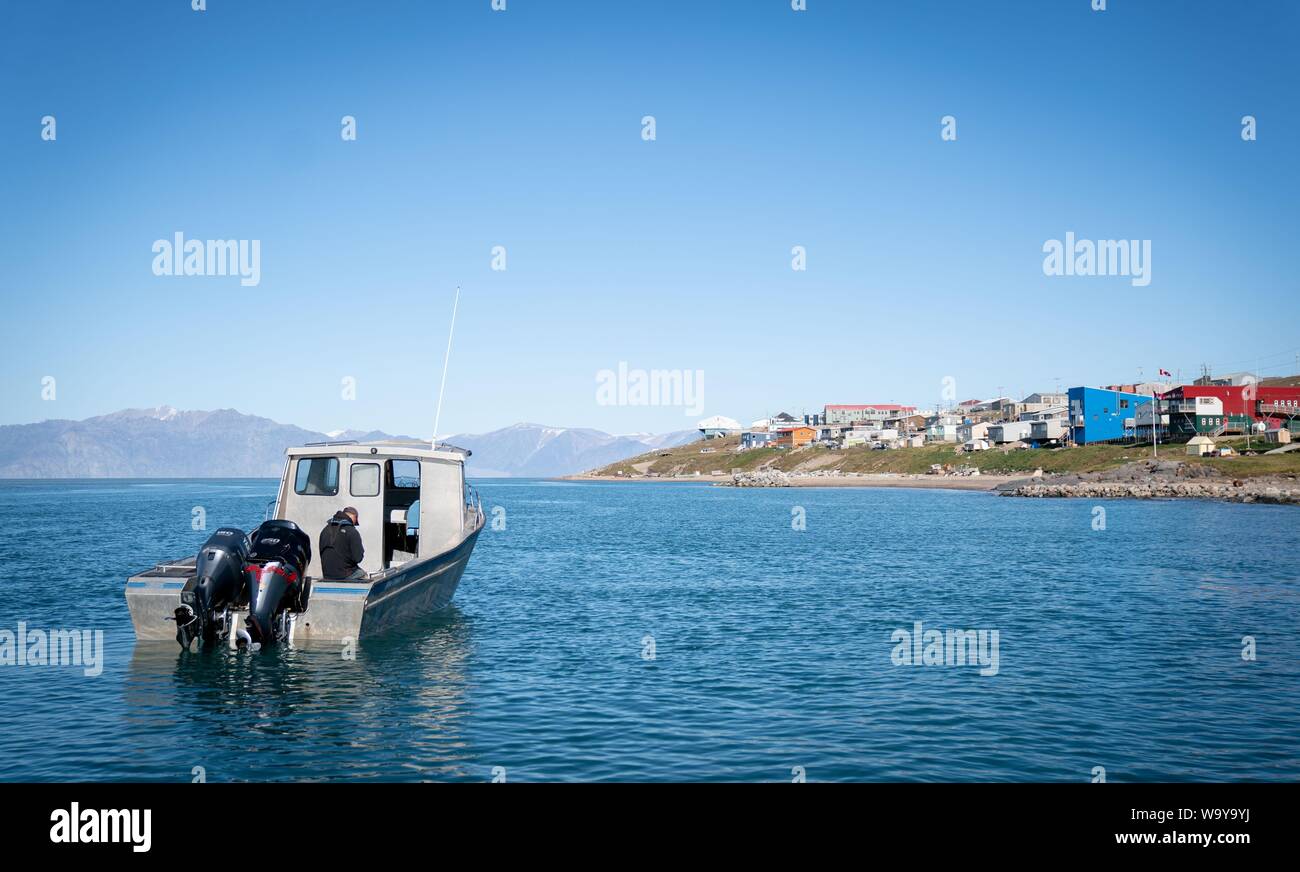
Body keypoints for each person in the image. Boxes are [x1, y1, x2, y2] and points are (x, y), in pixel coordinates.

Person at [320, 506, 366, 580]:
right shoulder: (352, 531)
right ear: (354, 517)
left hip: (327, 574)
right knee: (362, 574)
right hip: (345, 574)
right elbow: (358, 558)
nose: (354, 524)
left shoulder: (325, 530)